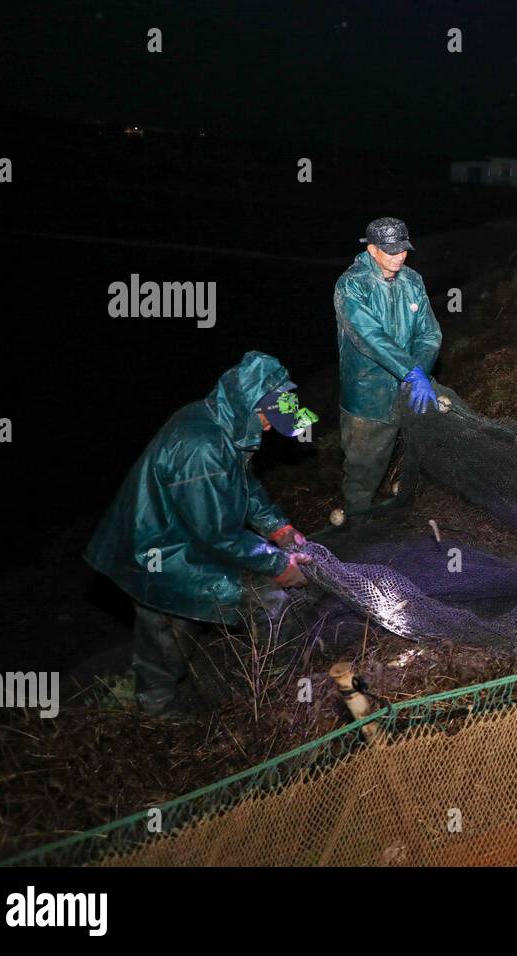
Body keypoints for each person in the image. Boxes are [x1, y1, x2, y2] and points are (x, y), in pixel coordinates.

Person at [84, 351, 318, 717]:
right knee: (191, 625)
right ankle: (159, 715)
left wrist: (278, 527)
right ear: (249, 406)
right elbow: (219, 535)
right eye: (268, 418)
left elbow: (244, 486)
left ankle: (149, 693)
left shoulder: (227, 422)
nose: (272, 427)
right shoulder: (203, 446)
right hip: (158, 553)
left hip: (184, 537)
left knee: (172, 629)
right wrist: (278, 564)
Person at [334, 217, 442, 520]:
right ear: (371, 249)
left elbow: (429, 334)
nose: (399, 256)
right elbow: (370, 337)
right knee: (363, 470)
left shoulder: (413, 280)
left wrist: (418, 373)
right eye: (390, 250)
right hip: (368, 396)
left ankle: (400, 515)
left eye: (403, 249)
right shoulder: (351, 285)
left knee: (409, 458)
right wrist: (410, 370)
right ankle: (357, 530)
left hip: (411, 390)